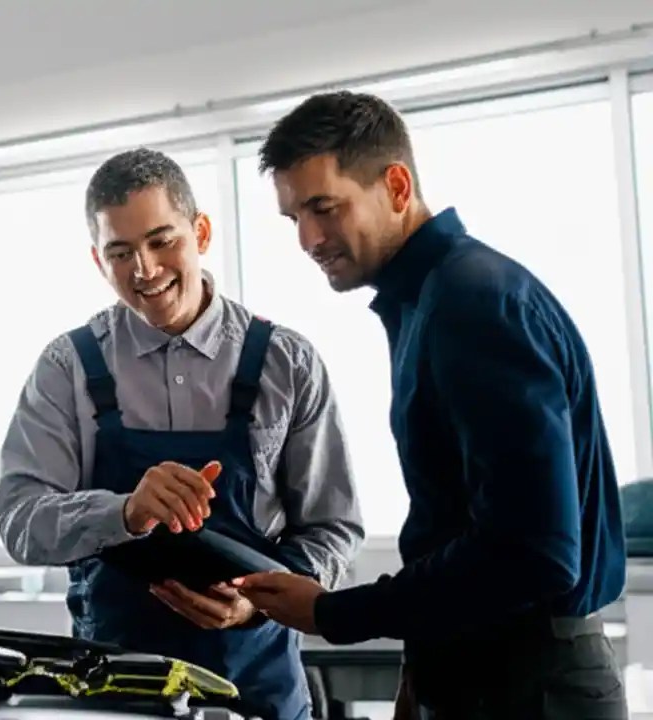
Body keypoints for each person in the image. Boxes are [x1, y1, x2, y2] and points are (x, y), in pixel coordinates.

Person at [231, 91, 629, 719]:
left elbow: (535, 552)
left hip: (529, 685)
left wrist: (335, 612)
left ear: (395, 184)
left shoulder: (472, 302)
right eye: (294, 219)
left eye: (323, 207)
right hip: (475, 669)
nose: (308, 238)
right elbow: (465, 521)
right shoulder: (428, 300)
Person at [0, 147, 365, 720]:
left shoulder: (287, 363)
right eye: (121, 252)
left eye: (162, 241)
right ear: (98, 260)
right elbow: (20, 519)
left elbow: (333, 528)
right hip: (114, 697)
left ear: (201, 232)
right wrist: (124, 514)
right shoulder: (66, 368)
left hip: (258, 690)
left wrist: (258, 603)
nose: (144, 269)